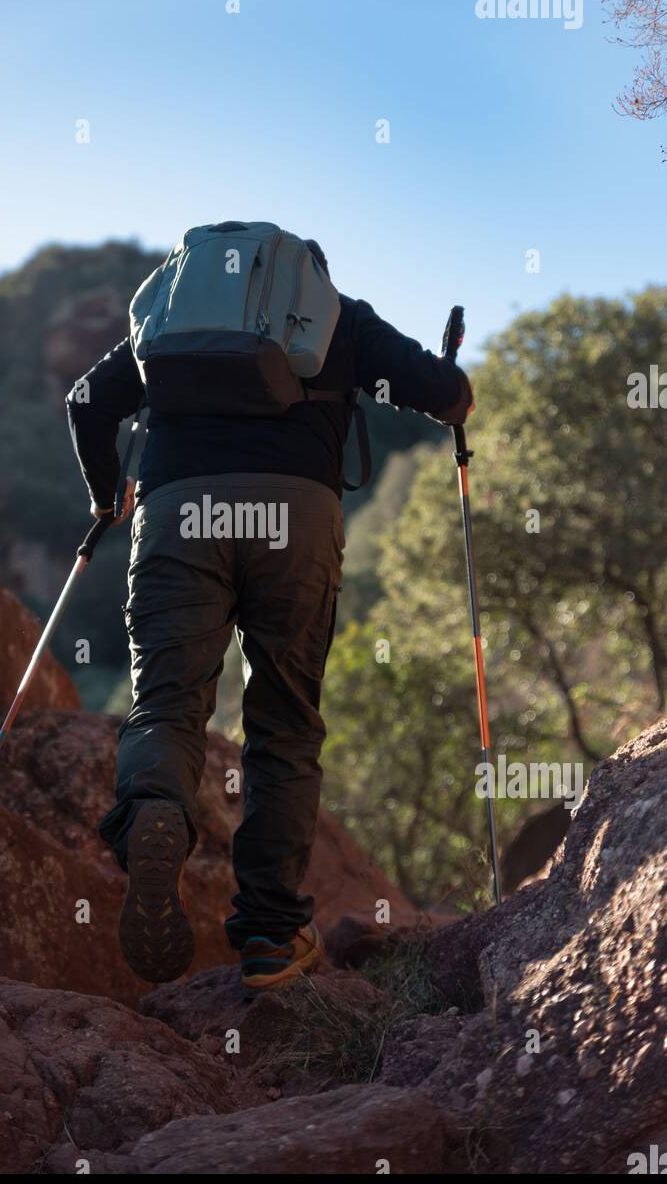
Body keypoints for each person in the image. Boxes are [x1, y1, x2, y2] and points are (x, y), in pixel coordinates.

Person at [66, 238, 473, 991]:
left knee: (165, 704)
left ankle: (156, 807)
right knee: (282, 723)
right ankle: (268, 936)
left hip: (179, 513)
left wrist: (104, 497)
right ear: (302, 276)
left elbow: (85, 401)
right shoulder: (336, 319)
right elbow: (443, 396)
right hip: (294, 519)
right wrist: (451, 378)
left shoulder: (164, 319)